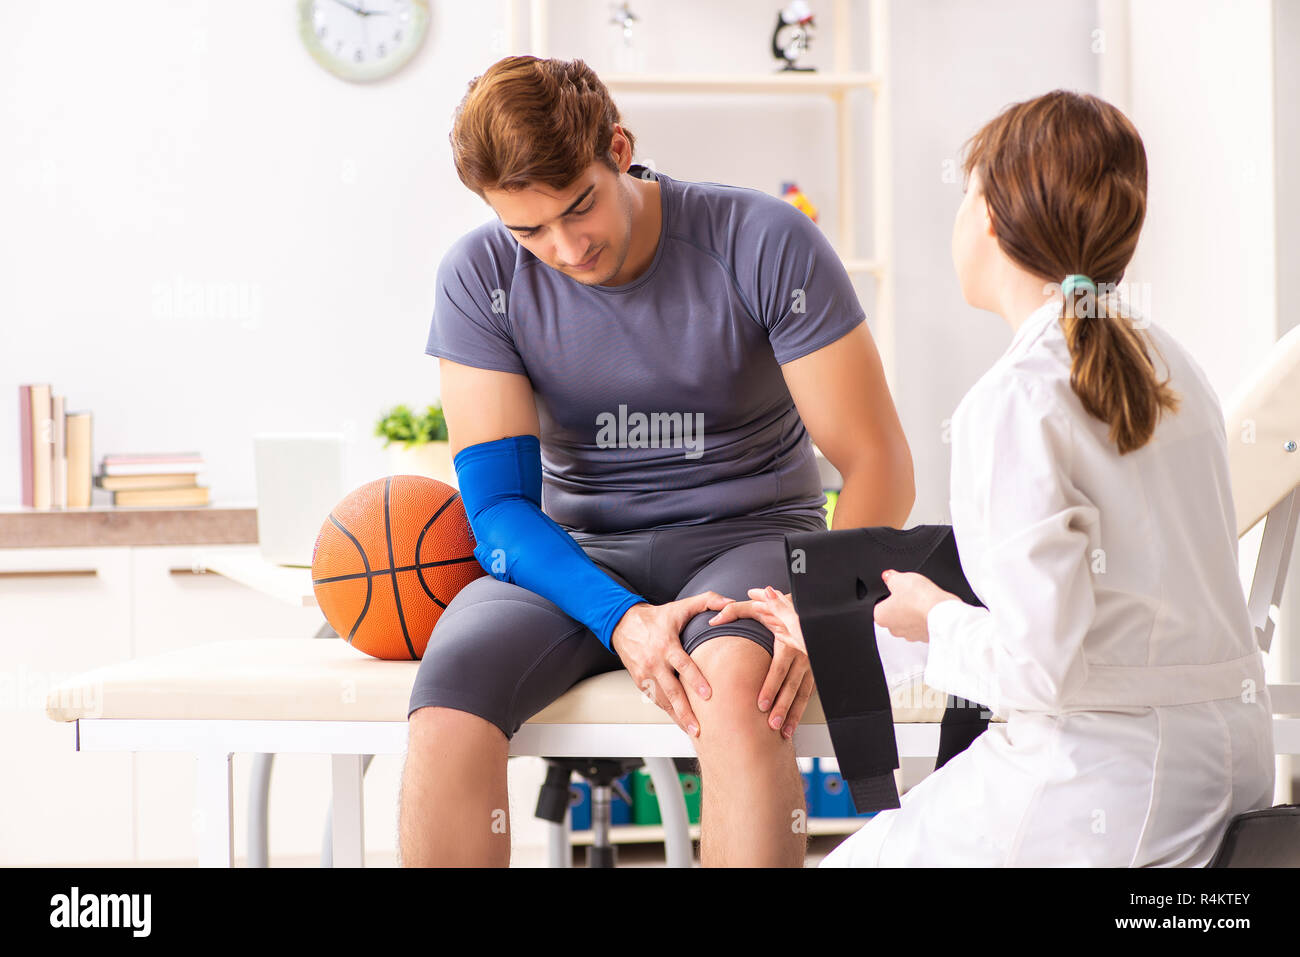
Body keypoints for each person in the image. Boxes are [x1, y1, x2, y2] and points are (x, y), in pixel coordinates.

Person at [708, 90, 1276, 867]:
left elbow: (1038, 668)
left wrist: (932, 613)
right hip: (1229, 763)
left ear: (993, 217)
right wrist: (853, 631)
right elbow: (1099, 623)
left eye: (965, 190)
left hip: (1100, 781)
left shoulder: (1015, 400)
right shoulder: (1174, 366)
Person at [397, 55, 915, 866]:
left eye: (579, 208)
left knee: (735, 699)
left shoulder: (760, 240)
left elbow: (875, 457)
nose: (566, 248)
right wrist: (621, 616)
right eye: (528, 230)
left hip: (746, 535)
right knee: (449, 697)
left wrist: (826, 608)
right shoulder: (480, 277)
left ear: (617, 147)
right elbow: (497, 511)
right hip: (575, 551)